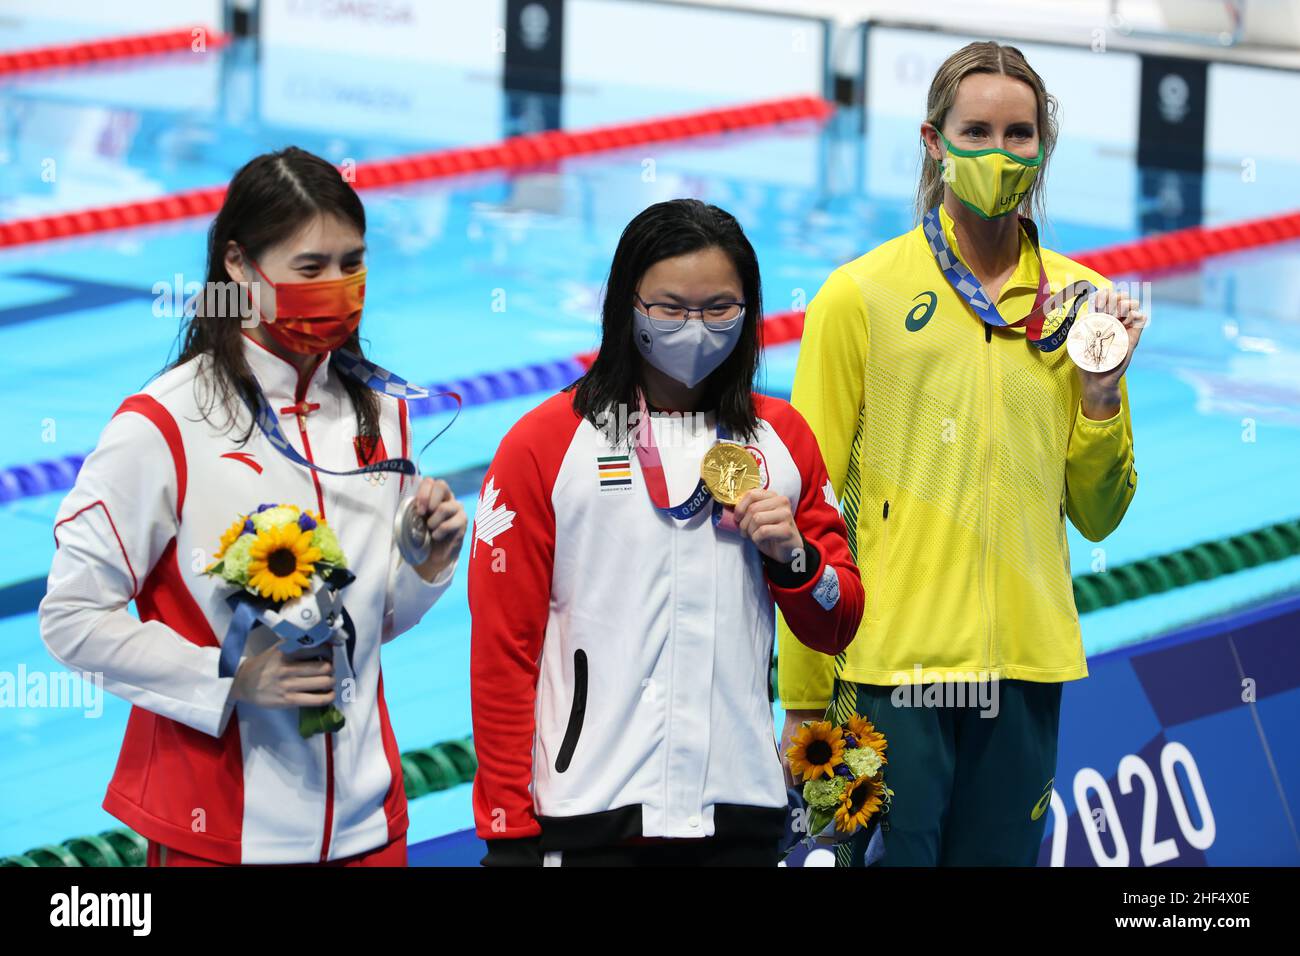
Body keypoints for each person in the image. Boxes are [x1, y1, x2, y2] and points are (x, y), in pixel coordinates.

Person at [39, 146, 467, 866]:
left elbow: (367, 624)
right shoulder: (164, 425)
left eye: (352, 262)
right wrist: (230, 680)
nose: (338, 286)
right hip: (220, 831)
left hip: (368, 825)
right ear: (239, 267)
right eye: (310, 268)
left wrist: (424, 568)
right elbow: (72, 616)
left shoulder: (377, 414)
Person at [777, 41, 1143, 867]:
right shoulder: (858, 296)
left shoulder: (1080, 305)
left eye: (1020, 134)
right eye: (976, 130)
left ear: (1043, 148)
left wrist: (1101, 397)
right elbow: (805, 512)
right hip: (879, 680)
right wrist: (802, 698)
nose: (999, 151)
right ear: (933, 141)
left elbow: (1100, 514)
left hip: (1025, 670)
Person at [469, 199, 864, 867]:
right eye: (670, 308)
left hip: (737, 812)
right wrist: (507, 824)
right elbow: (504, 649)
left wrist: (794, 560)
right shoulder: (546, 444)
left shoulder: (781, 439)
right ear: (627, 306)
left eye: (719, 308)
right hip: (586, 814)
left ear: (749, 311)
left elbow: (838, 621)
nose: (696, 327)